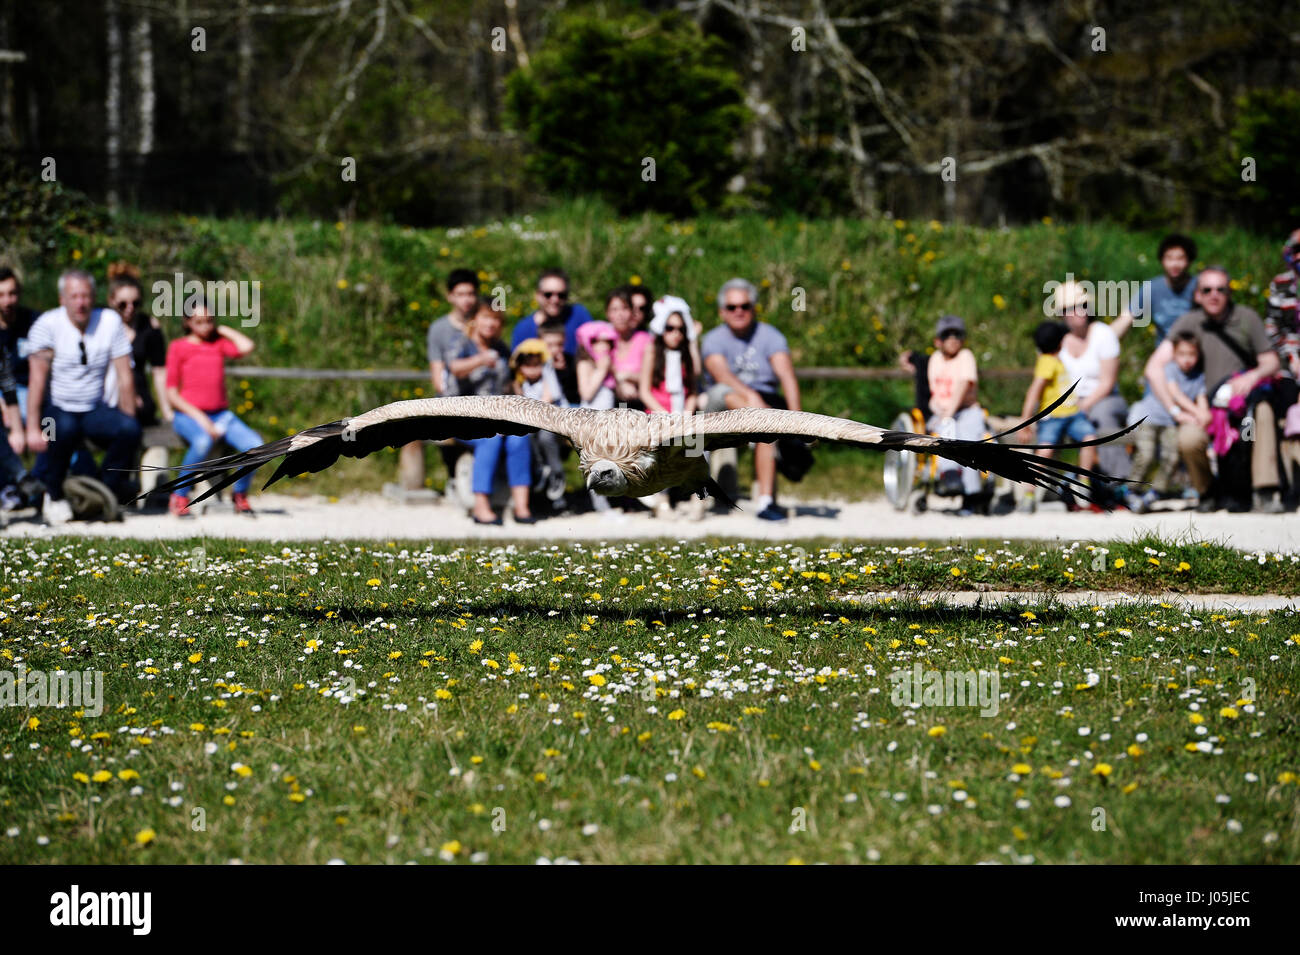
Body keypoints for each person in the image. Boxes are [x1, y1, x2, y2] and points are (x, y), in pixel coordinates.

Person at [1160, 266, 1284, 513]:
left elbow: (1271, 361)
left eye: (1221, 289)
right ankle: (1207, 492)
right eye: (1207, 290)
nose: (1213, 295)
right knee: (1188, 438)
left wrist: (1252, 376)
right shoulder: (1189, 322)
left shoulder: (1246, 318)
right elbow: (1155, 367)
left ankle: (1265, 490)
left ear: (1229, 292)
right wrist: (1176, 409)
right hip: (1204, 410)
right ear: (1197, 295)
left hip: (1241, 410)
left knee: (1263, 413)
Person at [24, 269, 141, 521]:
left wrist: (128, 419)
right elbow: (36, 381)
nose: (81, 302)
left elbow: (124, 375)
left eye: (86, 296)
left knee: (130, 430)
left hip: (92, 408)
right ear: (62, 299)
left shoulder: (109, 321)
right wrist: (33, 428)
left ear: (94, 297)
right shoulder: (47, 325)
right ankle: (53, 495)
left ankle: (103, 491)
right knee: (61, 428)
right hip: (55, 409)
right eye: (74, 296)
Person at [700, 277, 802, 521]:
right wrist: (752, 397)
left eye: (744, 306)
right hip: (720, 403)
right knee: (729, 394)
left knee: (765, 426)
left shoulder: (771, 336)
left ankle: (766, 501)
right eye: (732, 307)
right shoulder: (713, 339)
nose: (739, 311)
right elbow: (721, 375)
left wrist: (800, 420)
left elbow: (787, 377)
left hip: (763, 402)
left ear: (753, 307)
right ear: (722, 311)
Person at [163, 299, 260, 516]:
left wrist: (223, 329)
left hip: (221, 414)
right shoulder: (178, 347)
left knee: (256, 446)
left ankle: (240, 495)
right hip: (188, 415)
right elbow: (171, 393)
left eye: (209, 321)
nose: (205, 326)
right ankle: (179, 495)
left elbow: (247, 346)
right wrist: (202, 420)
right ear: (187, 322)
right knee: (202, 441)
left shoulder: (218, 343)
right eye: (199, 322)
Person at [449, 300, 535, 525]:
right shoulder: (462, 344)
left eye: (496, 319)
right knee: (490, 440)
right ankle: (481, 506)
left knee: (520, 439)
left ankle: (522, 507)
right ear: (475, 319)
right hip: (460, 417)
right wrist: (479, 360)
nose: (491, 323)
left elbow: (511, 383)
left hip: (498, 418)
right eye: (487, 317)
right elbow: (455, 369)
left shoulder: (502, 349)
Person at [1054, 279, 1130, 503]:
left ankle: (1121, 482)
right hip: (1069, 402)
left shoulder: (1103, 334)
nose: (1079, 312)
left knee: (1102, 416)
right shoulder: (1057, 341)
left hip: (1105, 398)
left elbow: (1107, 382)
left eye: (1083, 306)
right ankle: (1042, 485)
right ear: (1062, 314)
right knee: (1048, 423)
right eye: (1072, 308)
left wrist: (1082, 406)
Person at [1016, 320, 1097, 513]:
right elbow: (1034, 392)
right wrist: (1025, 421)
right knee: (1044, 452)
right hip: (1052, 418)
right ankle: (1029, 494)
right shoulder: (1047, 362)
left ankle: (1082, 482)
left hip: (1072, 414)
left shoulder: (1057, 360)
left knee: (1090, 438)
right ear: (1059, 342)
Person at [1124, 330, 1208, 513]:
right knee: (1146, 454)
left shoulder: (1198, 376)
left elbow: (1202, 399)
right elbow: (1175, 394)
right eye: (1182, 354)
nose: (1187, 359)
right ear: (1174, 354)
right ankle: (1131, 489)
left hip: (1170, 423)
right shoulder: (1170, 369)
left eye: (1192, 354)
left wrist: (1204, 415)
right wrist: (1196, 413)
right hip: (1150, 417)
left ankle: (1156, 491)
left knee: (1172, 456)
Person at [418, 268, 480, 495]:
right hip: (453, 397)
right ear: (450, 296)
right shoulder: (439, 329)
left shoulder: (484, 323)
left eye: (471, 294)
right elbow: (438, 372)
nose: (466, 299)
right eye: (461, 294)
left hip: (482, 395)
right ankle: (454, 476)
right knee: (445, 427)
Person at [925, 314, 988, 515]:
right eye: (947, 335)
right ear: (938, 341)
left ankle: (971, 495)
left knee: (968, 442)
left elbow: (964, 384)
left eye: (957, 335)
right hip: (943, 410)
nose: (953, 339)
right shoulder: (935, 359)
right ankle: (950, 474)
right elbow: (934, 391)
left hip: (966, 410)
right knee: (945, 434)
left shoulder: (966, 356)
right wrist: (938, 409)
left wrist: (949, 412)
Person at [512, 337, 568, 510]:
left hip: (553, 418)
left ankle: (556, 472)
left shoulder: (546, 376)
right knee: (527, 438)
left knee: (545, 438)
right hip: (534, 422)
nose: (533, 369)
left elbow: (549, 398)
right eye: (528, 365)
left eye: (536, 365)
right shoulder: (521, 383)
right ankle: (541, 468)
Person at [1112, 233, 1199, 345]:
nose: (1174, 264)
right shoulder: (1152, 288)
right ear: (1162, 260)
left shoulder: (1203, 287)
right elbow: (1126, 318)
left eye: (1180, 258)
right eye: (1169, 258)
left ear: (1189, 261)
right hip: (1164, 354)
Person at [510, 269, 594, 356]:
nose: (555, 300)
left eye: (561, 295)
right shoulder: (523, 330)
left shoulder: (578, 316)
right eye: (548, 294)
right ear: (537, 295)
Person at [640, 295, 698, 415]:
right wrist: (666, 416)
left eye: (681, 329)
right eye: (670, 328)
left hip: (682, 415)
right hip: (657, 416)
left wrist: (693, 341)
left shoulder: (685, 354)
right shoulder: (652, 351)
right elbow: (644, 392)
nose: (676, 333)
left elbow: (693, 389)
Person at [0, 266, 38, 421]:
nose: (7, 301)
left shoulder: (35, 322)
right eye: (1, 295)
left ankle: (56, 443)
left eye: (12, 294)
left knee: (52, 422)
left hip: (28, 390)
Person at [539, 321, 580, 405]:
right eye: (549, 345)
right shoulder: (535, 362)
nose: (555, 349)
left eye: (560, 344)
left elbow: (573, 395)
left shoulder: (570, 361)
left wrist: (563, 372)